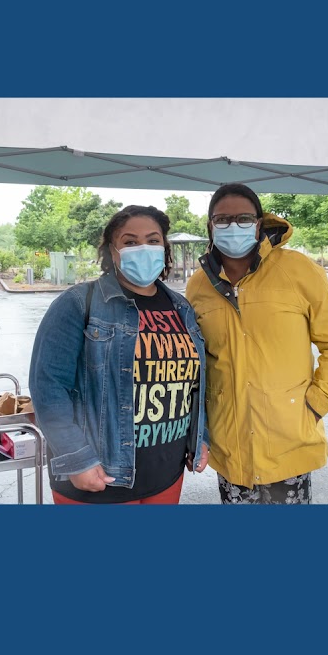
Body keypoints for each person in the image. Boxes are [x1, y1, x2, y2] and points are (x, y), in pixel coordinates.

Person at [185, 183, 328, 504]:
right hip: (230, 439)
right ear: (210, 227)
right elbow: (198, 360)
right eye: (222, 219)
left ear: (260, 224)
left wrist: (316, 404)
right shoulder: (198, 285)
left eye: (243, 218)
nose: (232, 226)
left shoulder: (298, 270)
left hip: (287, 436)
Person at [30, 205, 209, 505]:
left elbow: (194, 384)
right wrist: (76, 458)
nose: (143, 248)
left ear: (164, 248)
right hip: (99, 476)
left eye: (153, 240)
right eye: (129, 241)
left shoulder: (181, 307)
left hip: (166, 472)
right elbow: (48, 387)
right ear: (112, 252)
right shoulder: (77, 303)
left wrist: (199, 436)